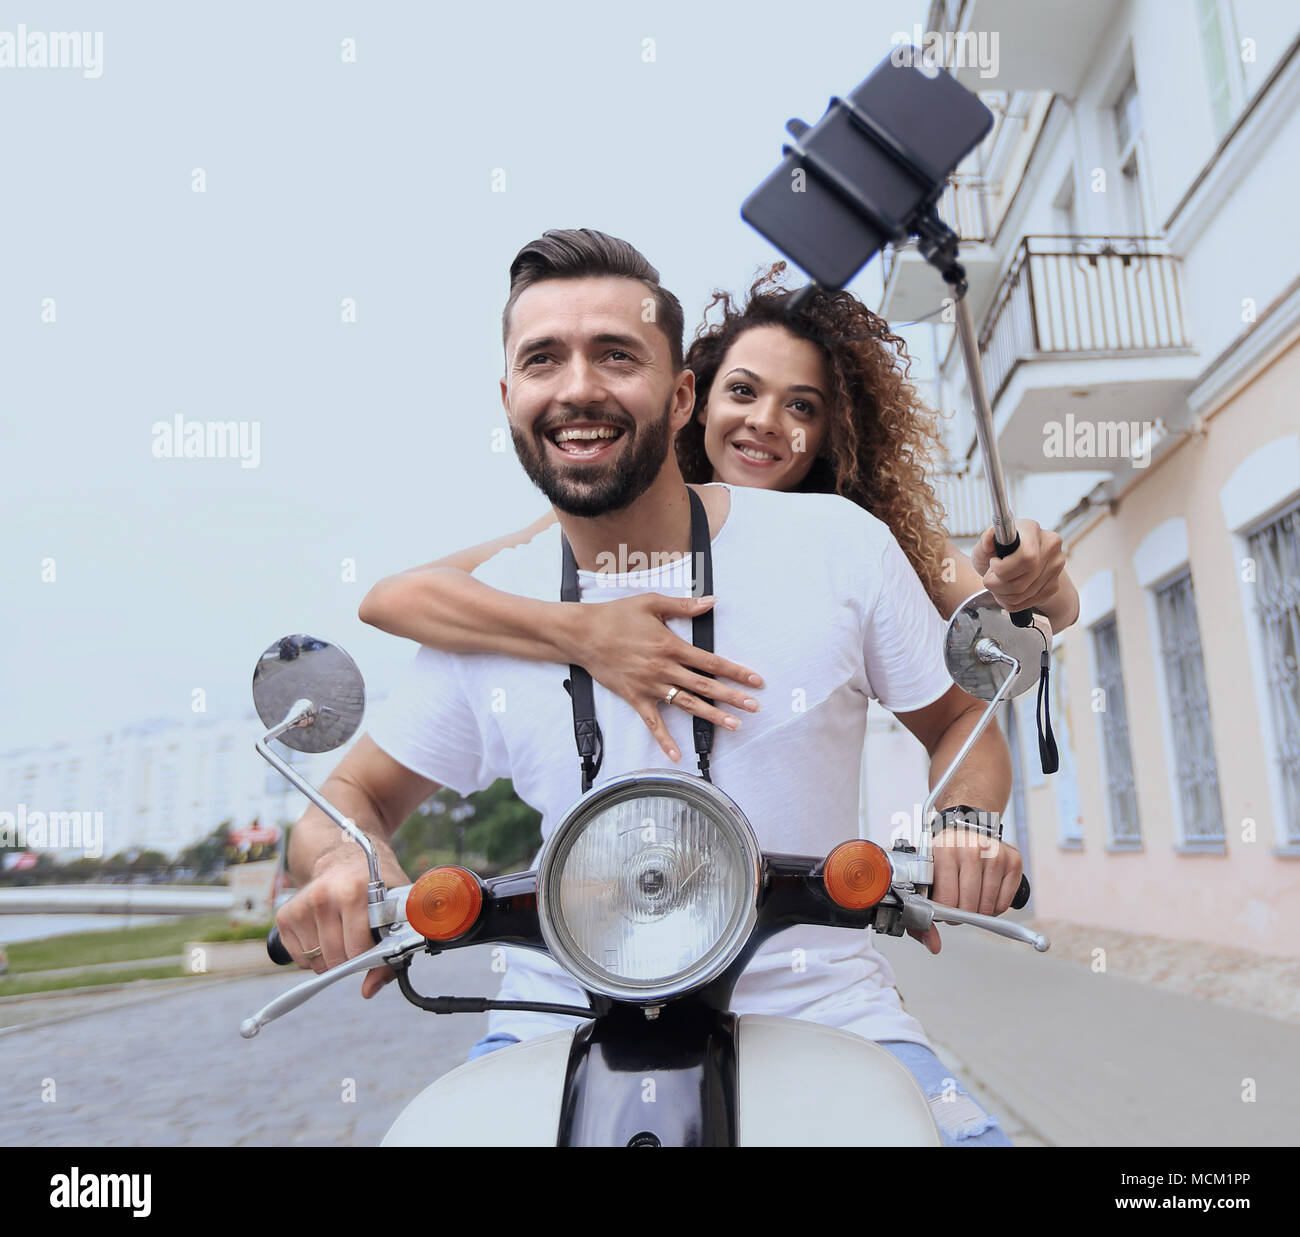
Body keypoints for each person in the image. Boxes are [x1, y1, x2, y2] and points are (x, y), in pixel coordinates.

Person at [279, 228, 1022, 1145]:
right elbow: (344, 796)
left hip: (827, 1013)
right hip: (548, 1025)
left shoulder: (836, 545)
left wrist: (968, 826)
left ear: (679, 400)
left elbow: (961, 720)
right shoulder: (493, 611)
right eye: (543, 358)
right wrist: (346, 863)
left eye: (616, 355)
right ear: (510, 397)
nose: (579, 386)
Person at [359, 264, 1078, 758]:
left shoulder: (860, 542)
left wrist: (1036, 578)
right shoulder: (630, 520)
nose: (765, 420)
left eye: (802, 405)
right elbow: (392, 599)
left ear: (834, 433)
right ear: (693, 401)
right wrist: (581, 632)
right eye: (743, 390)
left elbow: (1036, 615)